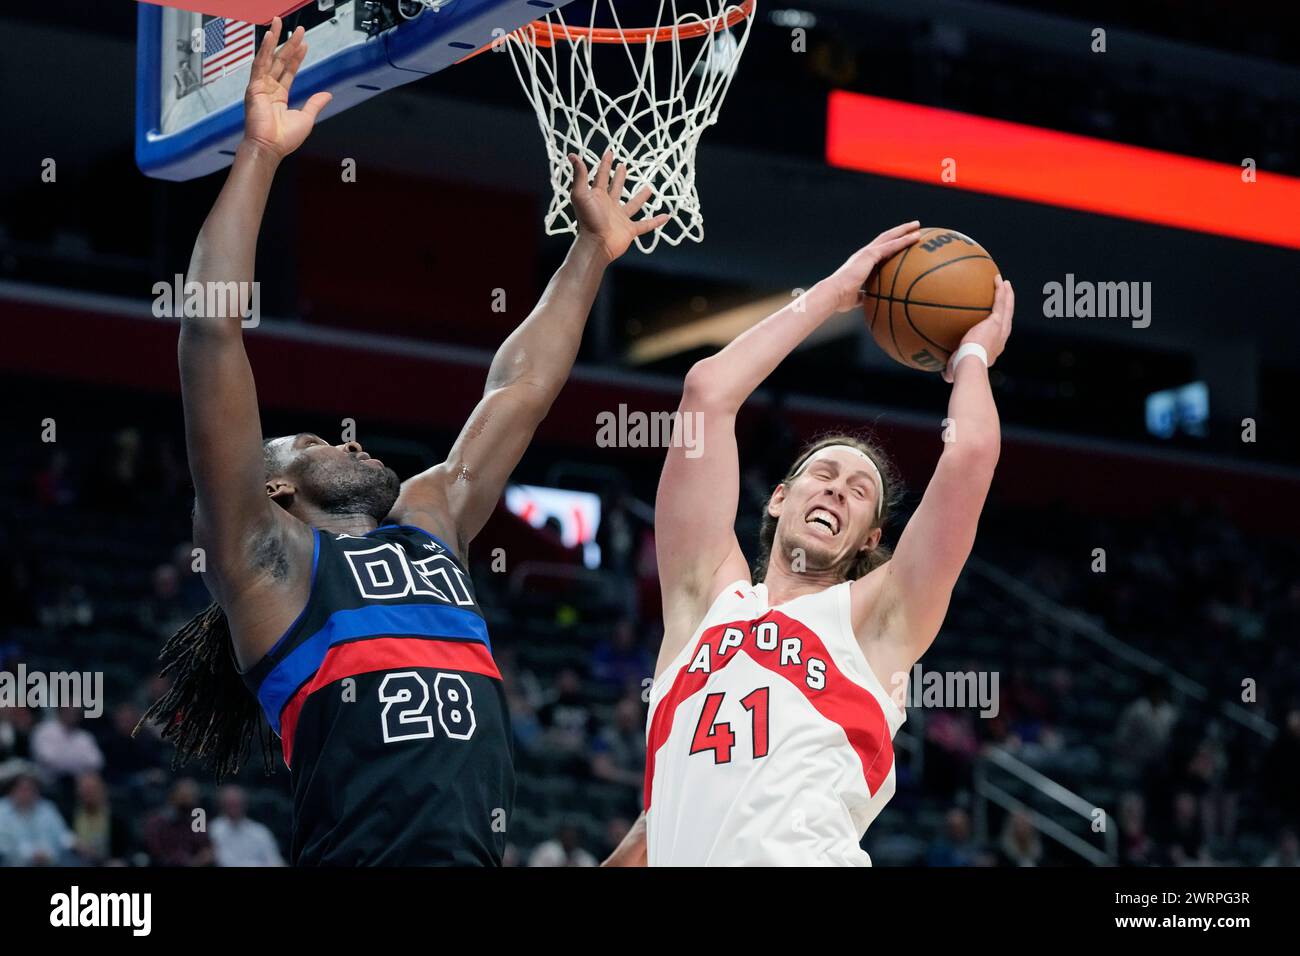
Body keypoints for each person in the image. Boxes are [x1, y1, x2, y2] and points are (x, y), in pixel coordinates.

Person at [139, 19, 666, 867]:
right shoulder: (264, 559)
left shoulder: (431, 519)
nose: (351, 444)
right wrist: (261, 155)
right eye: (312, 440)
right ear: (274, 486)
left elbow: (517, 394)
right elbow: (209, 330)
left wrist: (590, 255)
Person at [606, 223, 1014, 865]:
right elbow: (708, 394)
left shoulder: (877, 621)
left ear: (870, 539)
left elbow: (970, 457)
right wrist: (829, 295)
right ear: (778, 498)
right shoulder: (701, 602)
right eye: (822, 475)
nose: (836, 491)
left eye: (858, 491)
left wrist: (969, 356)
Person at [0, 769, 75, 866]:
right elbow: (3, 845)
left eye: (30, 789)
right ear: (12, 791)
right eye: (22, 789)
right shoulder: (2, 810)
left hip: (49, 862)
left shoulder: (48, 808)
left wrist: (76, 843)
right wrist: (31, 855)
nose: (26, 794)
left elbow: (63, 836)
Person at [210, 785, 284, 867]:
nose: (233, 809)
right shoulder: (213, 830)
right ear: (222, 806)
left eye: (236, 804)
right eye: (229, 804)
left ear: (245, 805)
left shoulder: (260, 832)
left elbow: (275, 861)